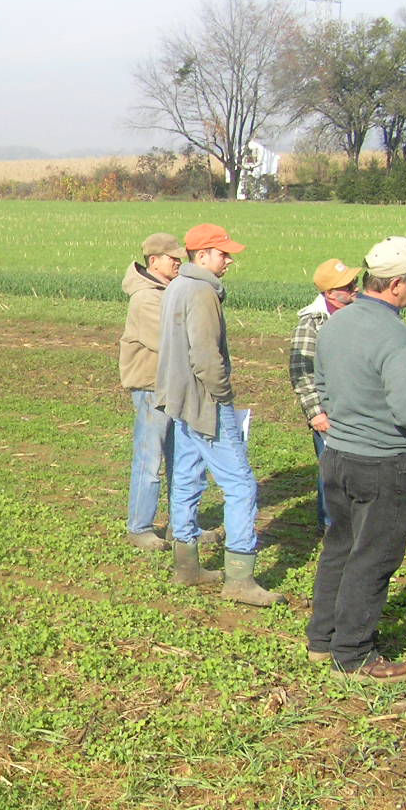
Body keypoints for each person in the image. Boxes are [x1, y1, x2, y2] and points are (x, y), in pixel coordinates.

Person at [309, 236, 406, 681]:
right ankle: (354, 654)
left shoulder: (336, 323)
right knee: (374, 557)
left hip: (339, 455)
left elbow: (323, 383)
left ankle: (324, 639)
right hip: (386, 463)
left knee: (340, 545)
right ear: (396, 285)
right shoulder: (399, 340)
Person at [155, 223, 281, 606]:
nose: (228, 260)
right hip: (205, 402)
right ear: (202, 254)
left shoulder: (175, 286)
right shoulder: (202, 290)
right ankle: (239, 579)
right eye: (223, 253)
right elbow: (206, 356)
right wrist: (223, 394)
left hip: (178, 400)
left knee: (187, 478)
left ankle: (187, 566)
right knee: (240, 485)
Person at [120, 232, 195, 550]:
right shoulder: (146, 298)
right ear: (154, 261)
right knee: (149, 461)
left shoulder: (168, 291)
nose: (179, 262)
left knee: (181, 458)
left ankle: (184, 524)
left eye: (179, 257)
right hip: (152, 386)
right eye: (172, 258)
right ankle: (140, 527)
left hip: (172, 385)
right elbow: (170, 342)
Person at [288, 259, 359, 530]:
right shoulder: (311, 324)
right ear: (330, 293)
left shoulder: (359, 312)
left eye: (354, 283)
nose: (355, 288)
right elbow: (301, 371)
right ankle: (331, 525)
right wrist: (315, 413)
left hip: (355, 405)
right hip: (329, 409)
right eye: (348, 285)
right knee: (332, 469)